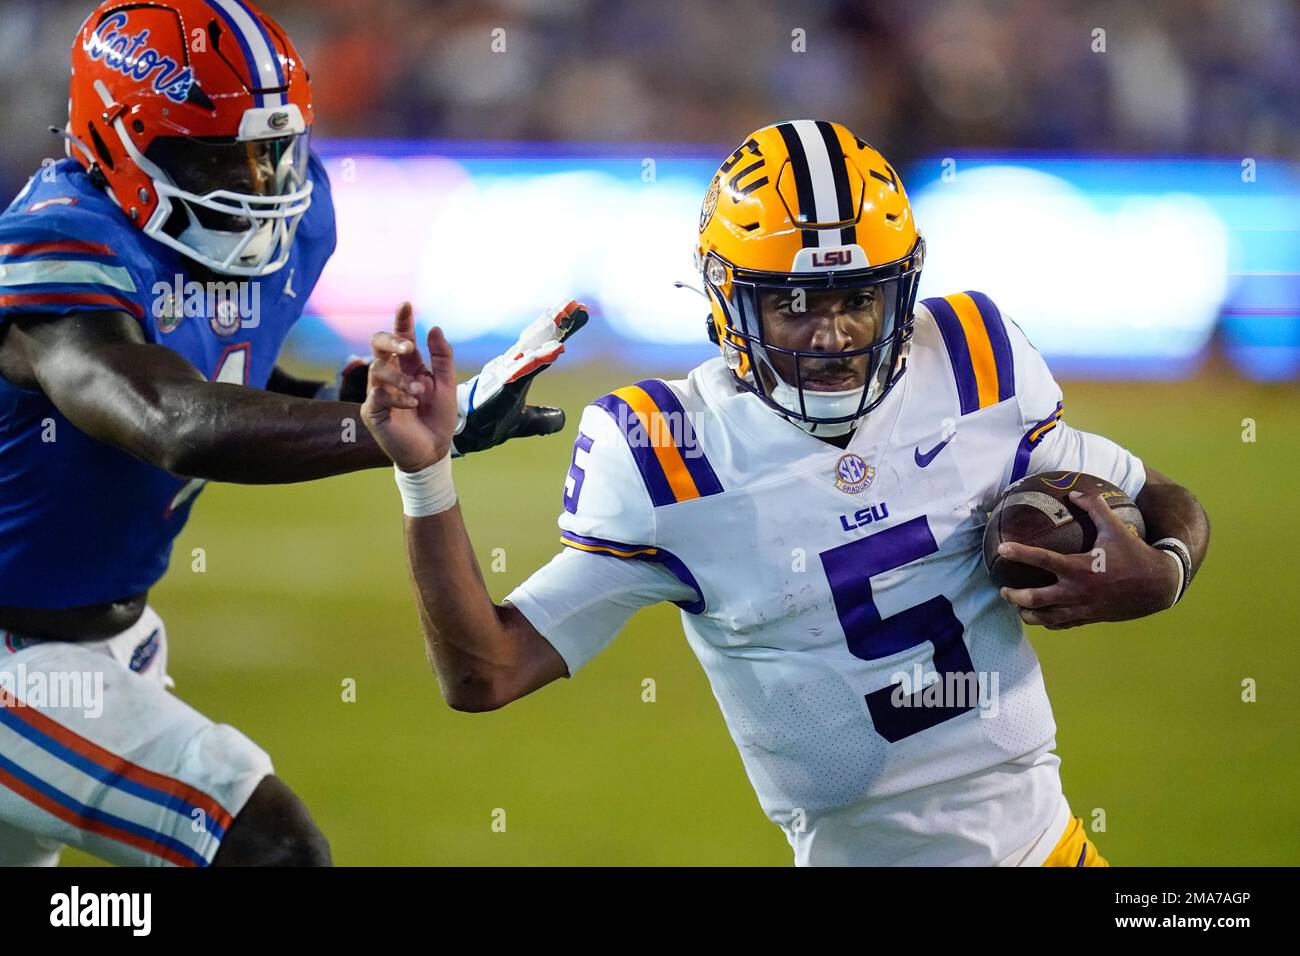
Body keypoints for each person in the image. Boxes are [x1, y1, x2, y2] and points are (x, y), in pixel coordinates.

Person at [360, 120, 1209, 866]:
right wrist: (425, 473)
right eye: (794, 306)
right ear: (729, 302)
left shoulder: (974, 364)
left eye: (856, 300)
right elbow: (485, 674)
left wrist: (1166, 570)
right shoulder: (671, 450)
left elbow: (1165, 497)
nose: (832, 334)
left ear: (901, 292)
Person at [0, 0, 582, 867]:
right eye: (215, 153)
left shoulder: (296, 224)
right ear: (118, 141)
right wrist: (377, 431)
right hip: (21, 656)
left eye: (269, 149)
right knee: (269, 850)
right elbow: (168, 419)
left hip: (103, 639)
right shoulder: (57, 245)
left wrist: (335, 403)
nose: (255, 181)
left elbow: (216, 374)